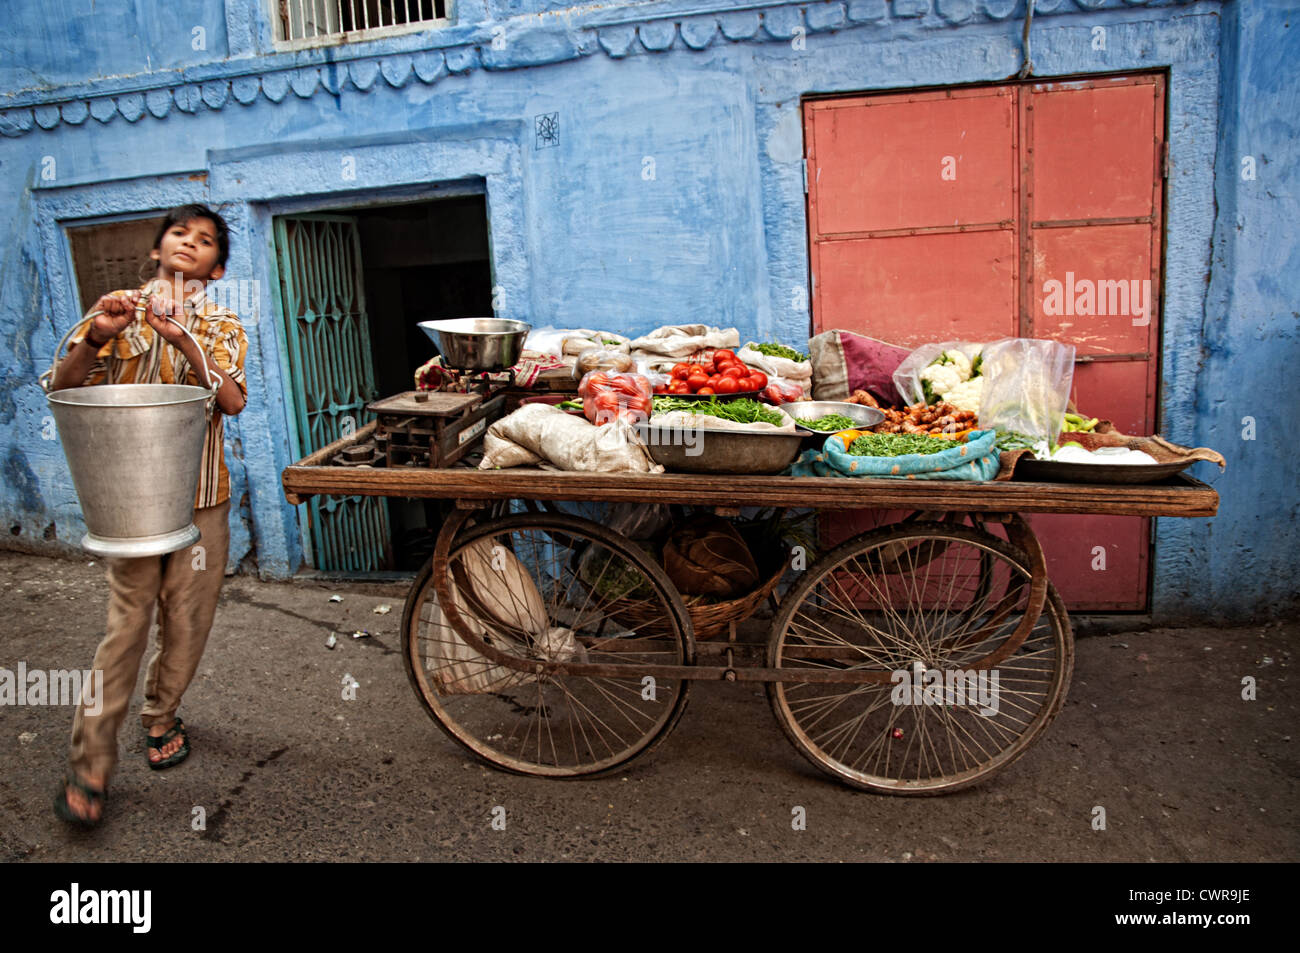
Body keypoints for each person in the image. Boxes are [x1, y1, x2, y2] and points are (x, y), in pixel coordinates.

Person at [50, 204, 248, 828]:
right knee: (126, 625)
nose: (190, 244)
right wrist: (100, 336)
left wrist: (182, 338)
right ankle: (90, 764)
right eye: (179, 234)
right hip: (131, 504)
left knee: (187, 621)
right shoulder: (113, 313)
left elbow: (233, 401)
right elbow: (64, 385)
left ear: (216, 268)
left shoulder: (222, 324)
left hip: (202, 498)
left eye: (206, 241)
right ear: (159, 248)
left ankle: (162, 715)